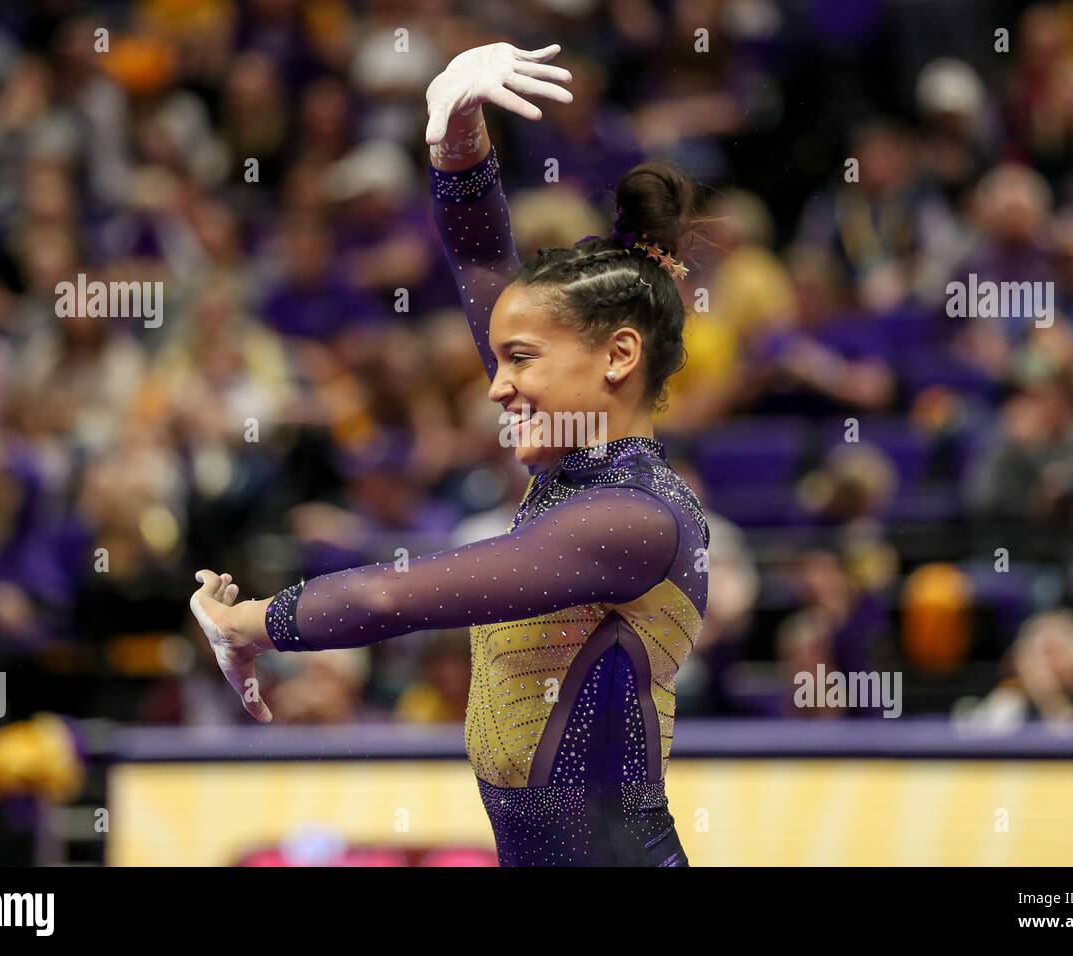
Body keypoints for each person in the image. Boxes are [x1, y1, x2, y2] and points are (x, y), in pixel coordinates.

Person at [188, 42, 709, 867]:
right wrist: (456, 134)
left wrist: (247, 623)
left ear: (617, 357)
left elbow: (393, 598)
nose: (496, 387)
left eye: (522, 361)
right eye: (496, 359)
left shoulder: (632, 520)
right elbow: (478, 259)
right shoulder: (576, 478)